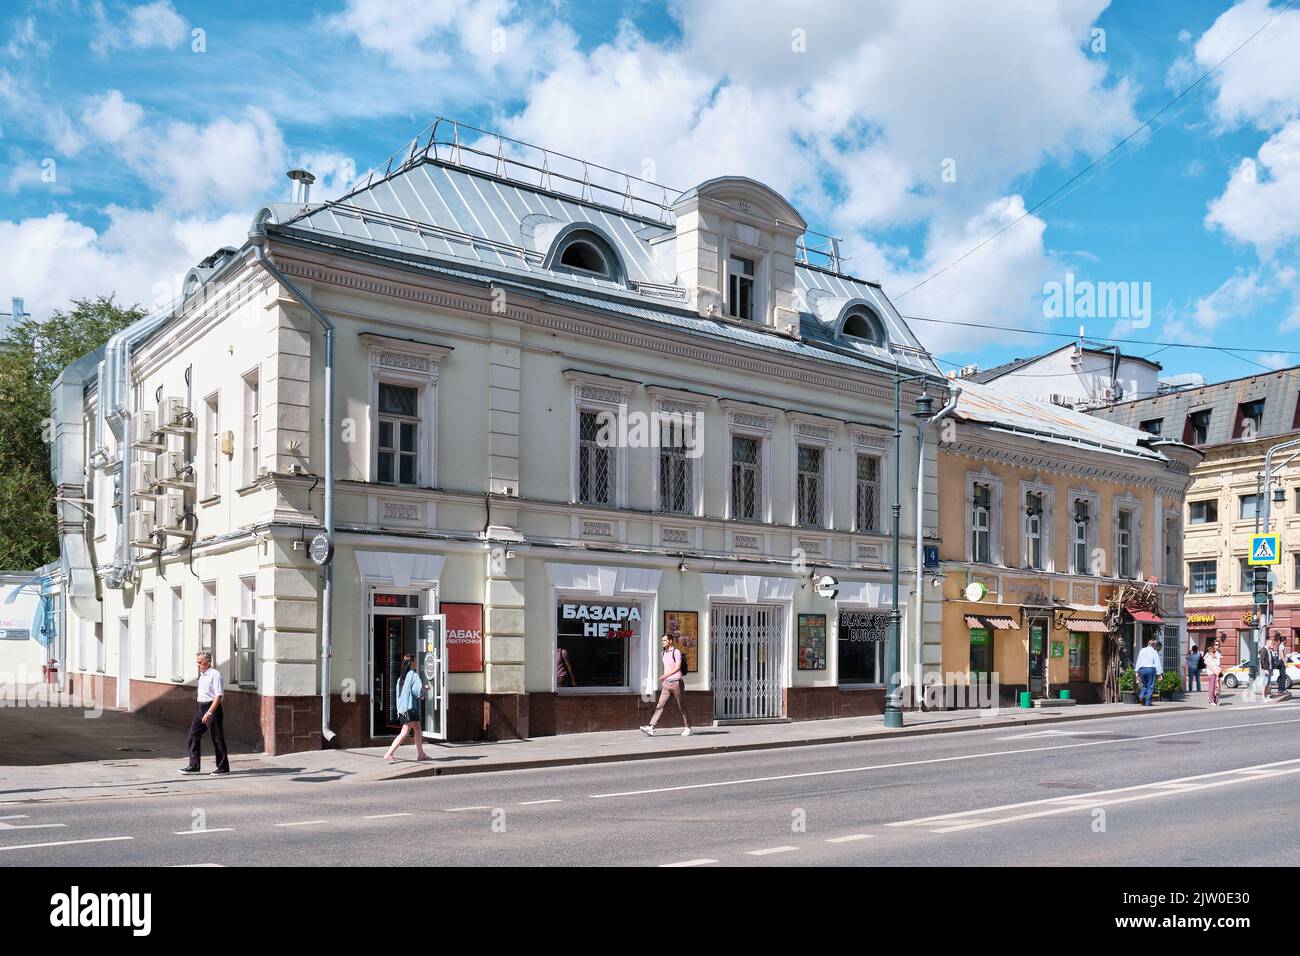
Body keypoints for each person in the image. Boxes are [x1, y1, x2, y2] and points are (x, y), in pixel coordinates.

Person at [180, 651, 229, 775]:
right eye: (197, 662)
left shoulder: (215, 675)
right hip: (201, 708)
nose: (198, 665)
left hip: (212, 709)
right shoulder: (202, 675)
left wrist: (209, 713)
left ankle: (223, 767)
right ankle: (194, 765)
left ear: (208, 662)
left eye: (200, 662)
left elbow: (218, 696)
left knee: (217, 738)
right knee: (193, 735)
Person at [641, 634, 692, 737]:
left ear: (670, 641)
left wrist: (666, 675)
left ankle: (688, 727)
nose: (663, 642)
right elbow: (667, 667)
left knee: (681, 706)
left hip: (676, 682)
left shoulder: (676, 652)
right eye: (662, 640)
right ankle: (651, 727)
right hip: (666, 684)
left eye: (665, 640)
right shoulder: (662, 653)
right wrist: (665, 678)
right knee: (660, 705)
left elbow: (677, 667)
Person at [384, 653, 430, 763]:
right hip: (411, 708)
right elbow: (417, 691)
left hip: (404, 709)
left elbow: (401, 694)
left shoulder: (401, 679)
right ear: (411, 663)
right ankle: (389, 753)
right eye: (415, 661)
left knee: (417, 729)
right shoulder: (413, 675)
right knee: (404, 732)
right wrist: (424, 691)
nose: (416, 663)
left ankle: (421, 754)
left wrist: (399, 710)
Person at [1135, 635, 1162, 706]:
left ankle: (1141, 695)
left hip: (1142, 669)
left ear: (1148, 644)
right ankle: (1148, 702)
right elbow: (1157, 663)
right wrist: (1159, 673)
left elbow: (1139, 660)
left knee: (1144, 685)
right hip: (1150, 670)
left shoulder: (1142, 650)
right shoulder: (1154, 652)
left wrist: (1137, 671)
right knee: (1150, 686)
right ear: (1154, 645)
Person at [1204, 639, 1223, 706]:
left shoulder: (1219, 653)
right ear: (1213, 645)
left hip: (1217, 672)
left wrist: (1219, 670)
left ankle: (1216, 700)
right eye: (1216, 645)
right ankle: (1211, 700)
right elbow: (1206, 662)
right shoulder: (1209, 653)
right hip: (1211, 672)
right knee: (1211, 686)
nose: (1217, 646)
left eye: (1218, 645)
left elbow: (1220, 663)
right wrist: (1214, 671)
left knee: (1217, 686)